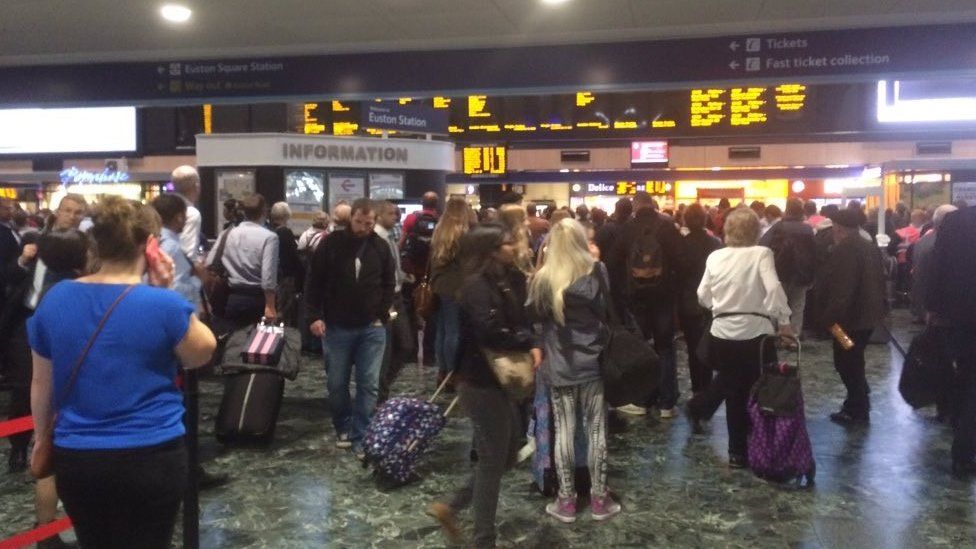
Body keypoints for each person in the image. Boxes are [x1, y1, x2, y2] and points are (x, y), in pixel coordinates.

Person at [28, 196, 217, 549]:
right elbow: (201, 352)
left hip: (78, 457)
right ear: (150, 245)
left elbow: (41, 382)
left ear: (96, 242)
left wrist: (41, 438)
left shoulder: (56, 298)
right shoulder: (163, 303)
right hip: (151, 454)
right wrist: (168, 289)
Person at [428, 223, 541, 548]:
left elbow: (515, 321)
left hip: (496, 381)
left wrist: (527, 336)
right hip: (480, 381)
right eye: (507, 243)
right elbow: (489, 330)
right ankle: (483, 539)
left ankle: (452, 506)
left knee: (506, 453)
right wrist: (526, 340)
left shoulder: (504, 280)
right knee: (493, 459)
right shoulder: (477, 287)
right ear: (491, 250)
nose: (514, 247)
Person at [527, 218, 620, 523]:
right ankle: (598, 498)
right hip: (593, 361)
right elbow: (607, 312)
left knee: (564, 430)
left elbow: (537, 323)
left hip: (559, 363)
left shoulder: (542, 277)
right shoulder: (597, 270)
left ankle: (566, 500)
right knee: (596, 430)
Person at [689, 207, 793, 468]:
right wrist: (784, 322)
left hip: (722, 332)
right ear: (756, 230)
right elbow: (773, 288)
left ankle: (736, 450)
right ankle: (755, 443)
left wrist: (721, 305)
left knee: (733, 388)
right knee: (757, 389)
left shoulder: (715, 257)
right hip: (756, 333)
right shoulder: (762, 254)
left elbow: (703, 295)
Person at [306, 198, 395, 457]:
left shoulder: (380, 247)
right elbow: (314, 281)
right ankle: (343, 425)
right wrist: (314, 316)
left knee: (369, 384)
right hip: (336, 325)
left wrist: (381, 313)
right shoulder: (331, 244)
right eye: (358, 222)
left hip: (372, 327)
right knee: (337, 383)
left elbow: (389, 283)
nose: (363, 227)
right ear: (351, 218)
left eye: (368, 223)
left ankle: (362, 434)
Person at [607, 192, 687, 418]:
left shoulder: (628, 228)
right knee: (666, 346)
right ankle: (667, 403)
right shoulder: (667, 227)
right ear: (652, 205)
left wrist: (623, 292)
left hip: (637, 298)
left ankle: (642, 400)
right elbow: (682, 260)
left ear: (635, 205)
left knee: (642, 347)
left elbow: (612, 261)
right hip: (663, 297)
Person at [817, 209, 886, 426]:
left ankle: (858, 407)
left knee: (846, 361)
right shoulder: (868, 246)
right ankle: (856, 401)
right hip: (867, 319)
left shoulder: (844, 250)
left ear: (837, 228)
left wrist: (829, 320)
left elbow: (842, 291)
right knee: (854, 359)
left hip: (846, 323)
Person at [927, 203, 976, 477]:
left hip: (958, 315)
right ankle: (965, 444)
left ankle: (959, 426)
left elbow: (938, 265)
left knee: (964, 373)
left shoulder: (955, 222)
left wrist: (933, 309)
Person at [206, 194, 278, 330]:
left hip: (231, 297)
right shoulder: (270, 237)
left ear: (244, 212)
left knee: (232, 343)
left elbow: (210, 261)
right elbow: (268, 275)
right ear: (264, 211)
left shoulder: (227, 233)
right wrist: (270, 305)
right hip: (258, 300)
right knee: (258, 347)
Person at [678, 204, 722, 395]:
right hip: (712, 302)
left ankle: (698, 389)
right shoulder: (715, 244)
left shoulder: (681, 244)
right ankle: (707, 386)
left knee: (693, 347)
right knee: (709, 345)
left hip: (688, 301)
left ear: (685, 220)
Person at [760, 198, 817, 336]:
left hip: (780, 272)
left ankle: (776, 333)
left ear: (787, 210)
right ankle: (794, 336)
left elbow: (763, 245)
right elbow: (814, 253)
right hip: (802, 274)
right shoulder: (808, 229)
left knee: (778, 305)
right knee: (798, 306)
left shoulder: (778, 227)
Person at [430, 197, 471, 386]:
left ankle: (442, 370)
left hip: (439, 285)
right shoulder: (463, 232)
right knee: (454, 331)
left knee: (442, 329)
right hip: (457, 287)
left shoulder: (439, 230)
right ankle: (453, 373)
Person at [374, 200, 412, 403]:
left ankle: (382, 384)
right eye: (391, 214)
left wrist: (403, 276)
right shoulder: (377, 240)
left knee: (405, 345)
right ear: (379, 215)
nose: (395, 217)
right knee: (386, 349)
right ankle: (379, 393)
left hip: (397, 296)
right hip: (387, 299)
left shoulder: (389, 238)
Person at [400, 191, 440, 365]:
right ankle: (430, 355)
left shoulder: (411, 219)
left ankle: (411, 351)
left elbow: (402, 242)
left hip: (411, 272)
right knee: (431, 311)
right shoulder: (439, 222)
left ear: (421, 203)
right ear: (436, 204)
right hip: (430, 272)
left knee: (409, 310)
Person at [152, 194, 202, 312]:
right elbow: (175, 288)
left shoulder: (152, 241)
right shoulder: (172, 247)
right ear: (179, 217)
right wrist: (198, 280)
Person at [269, 202, 303, 324]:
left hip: (273, 277)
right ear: (286, 215)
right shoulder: (285, 232)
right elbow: (293, 257)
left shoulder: (270, 231)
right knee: (285, 313)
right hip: (286, 278)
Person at [171, 165, 203, 261]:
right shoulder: (191, 213)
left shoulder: (166, 207)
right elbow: (188, 251)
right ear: (197, 186)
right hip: (179, 271)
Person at [498, 204, 534, 274]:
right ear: (514, 222)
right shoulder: (506, 246)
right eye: (524, 219)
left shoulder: (521, 239)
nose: (528, 223)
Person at [593, 198, 632, 263]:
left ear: (616, 211)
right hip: (631, 269)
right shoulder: (636, 229)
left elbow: (597, 250)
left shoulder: (605, 229)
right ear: (631, 211)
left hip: (608, 268)